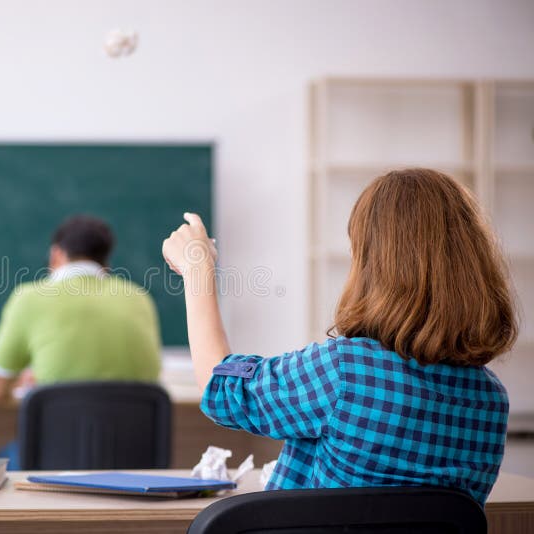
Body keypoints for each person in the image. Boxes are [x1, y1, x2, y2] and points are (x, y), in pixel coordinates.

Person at [162, 168, 517, 505]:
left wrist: (198, 270)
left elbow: (218, 385)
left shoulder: (346, 371)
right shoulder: (491, 402)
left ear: (374, 265)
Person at [0, 214, 161, 404]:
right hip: (134, 432)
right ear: (106, 263)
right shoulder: (139, 298)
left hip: (57, 432)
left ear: (56, 255)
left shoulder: (29, 299)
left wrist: (36, 384)